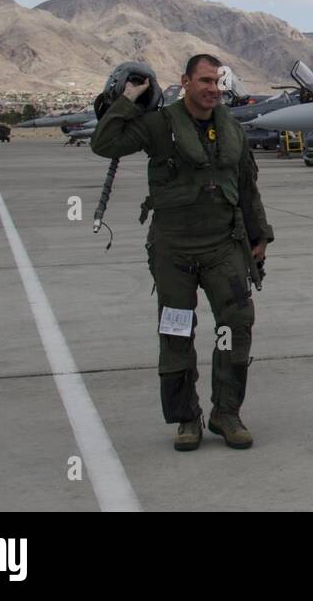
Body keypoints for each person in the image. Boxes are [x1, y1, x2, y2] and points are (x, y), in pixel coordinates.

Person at [92, 54, 274, 451]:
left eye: (217, 82)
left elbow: (247, 184)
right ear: (186, 82)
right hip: (174, 249)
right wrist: (127, 99)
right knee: (176, 332)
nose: (212, 88)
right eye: (205, 80)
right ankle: (186, 418)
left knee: (235, 325)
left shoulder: (233, 129)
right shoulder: (159, 125)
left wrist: (260, 235)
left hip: (223, 246)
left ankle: (226, 412)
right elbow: (104, 144)